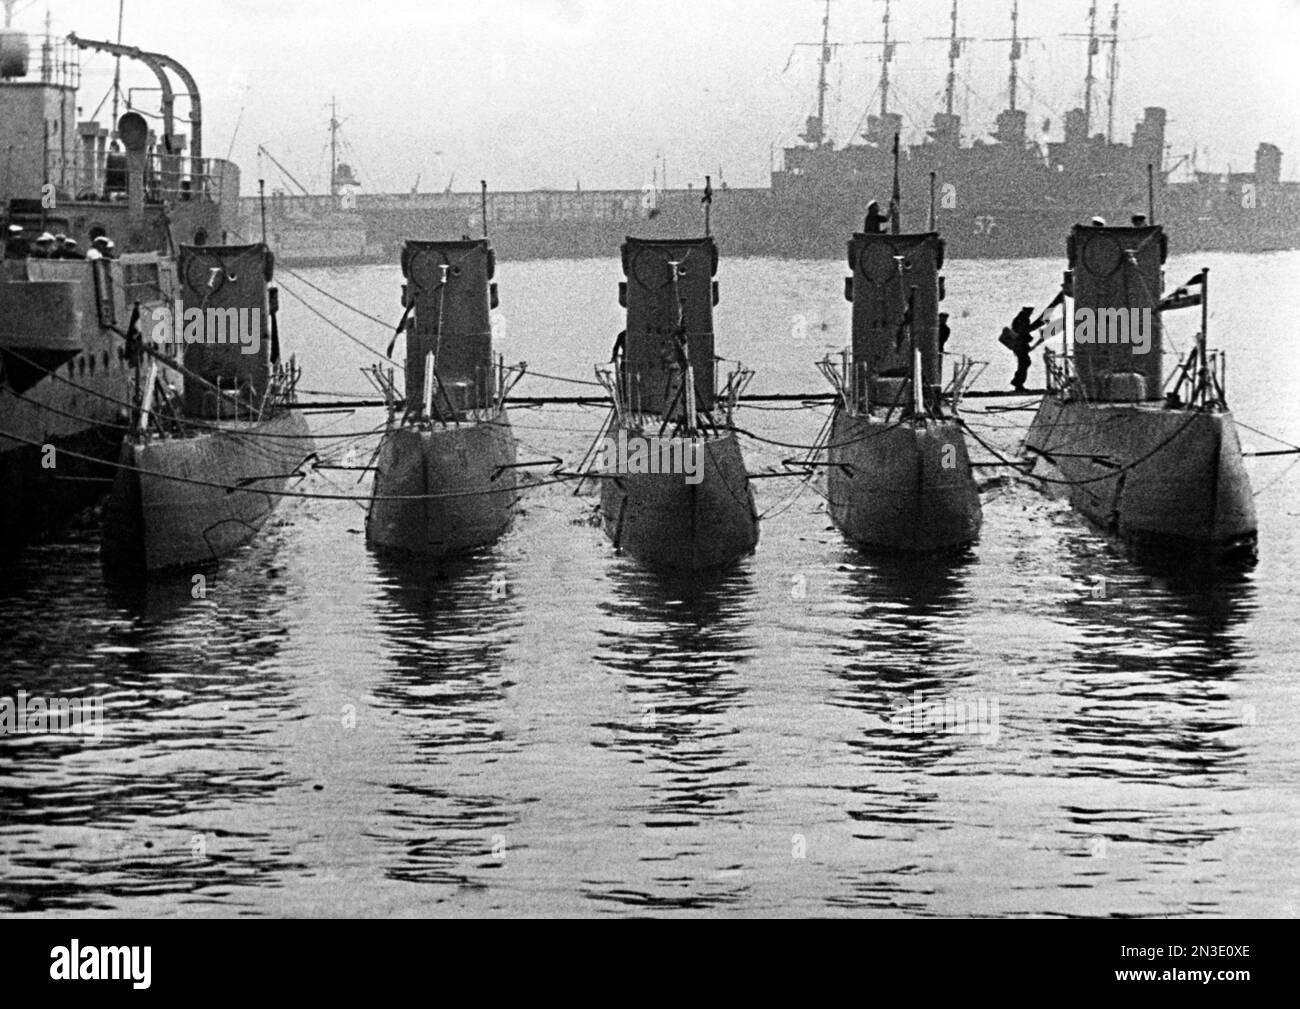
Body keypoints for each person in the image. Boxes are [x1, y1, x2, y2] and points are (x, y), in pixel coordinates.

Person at [1008, 305, 1042, 391]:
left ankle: (1017, 383)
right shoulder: (1024, 319)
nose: (1031, 314)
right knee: (1024, 363)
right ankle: (1018, 383)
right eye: (1030, 312)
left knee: (1024, 363)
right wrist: (1029, 338)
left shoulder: (1019, 318)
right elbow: (1024, 331)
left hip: (1018, 345)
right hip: (1020, 345)